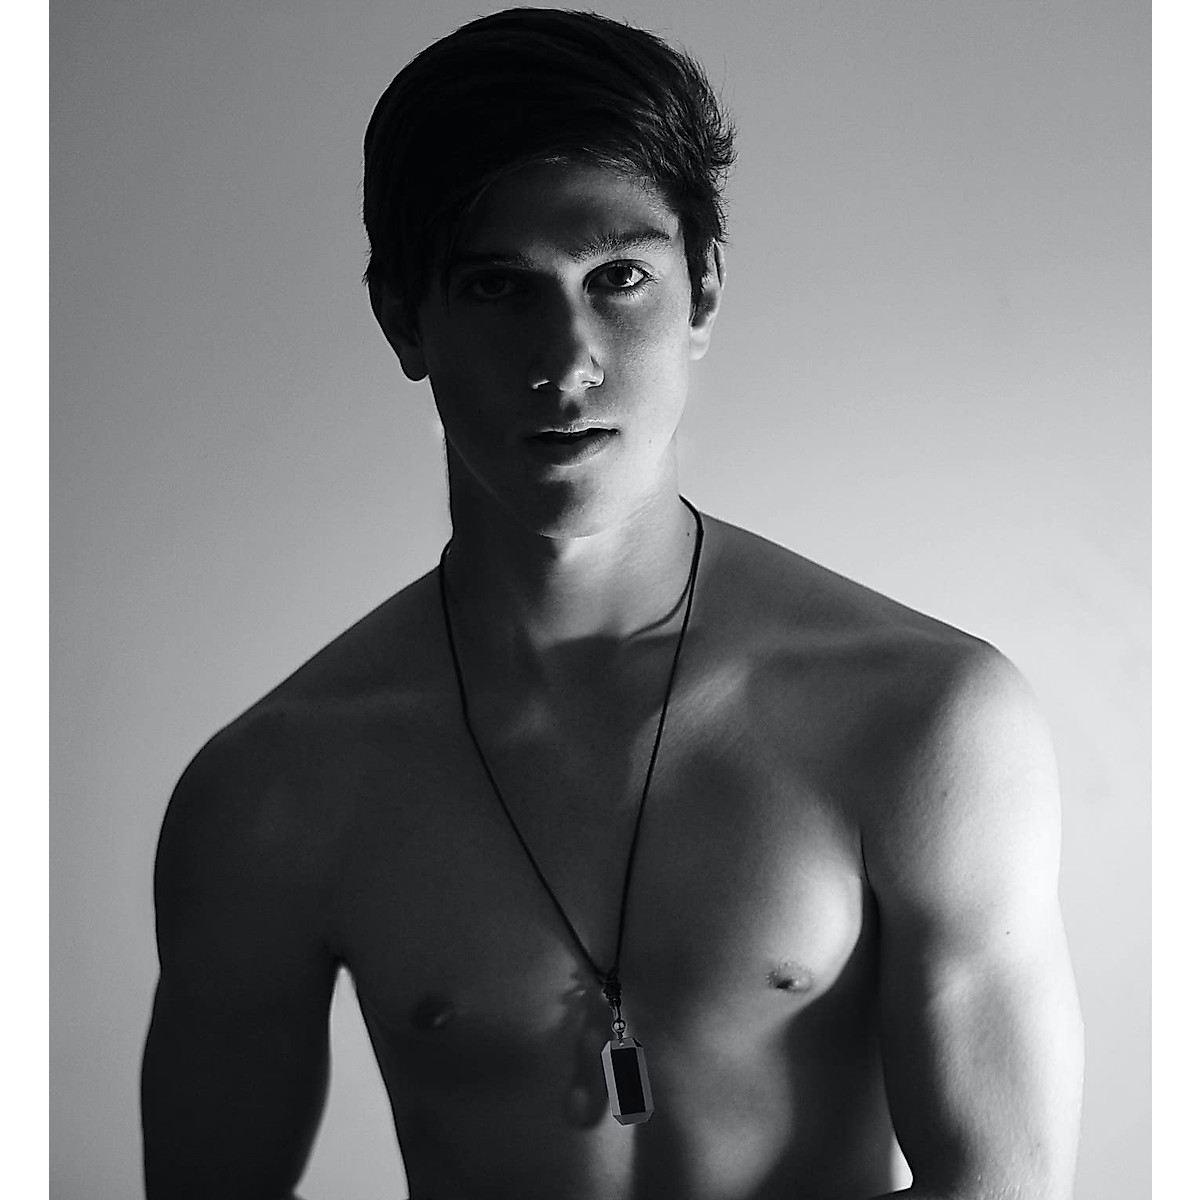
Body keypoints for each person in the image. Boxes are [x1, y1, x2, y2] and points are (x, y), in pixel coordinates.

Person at [140, 9, 1084, 1198]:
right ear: (403, 317)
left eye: (620, 278)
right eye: (498, 287)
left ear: (704, 290)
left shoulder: (924, 720)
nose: (567, 360)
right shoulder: (277, 790)